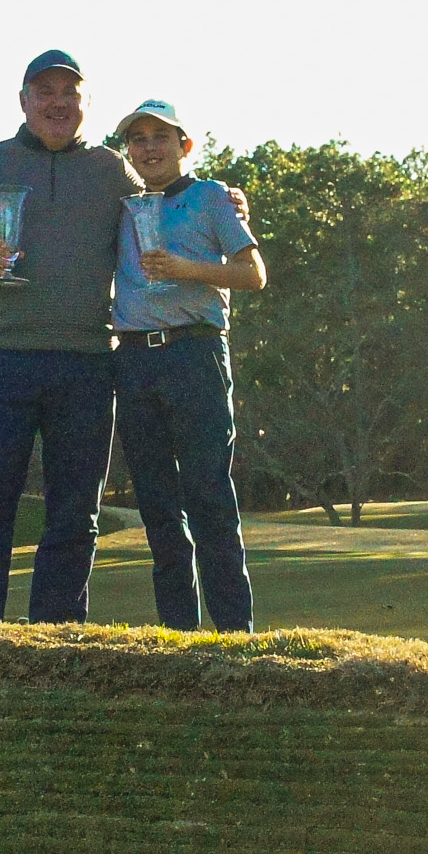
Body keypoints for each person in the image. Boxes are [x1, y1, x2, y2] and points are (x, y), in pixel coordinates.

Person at [0, 49, 140, 623]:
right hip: (0, 357)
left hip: (87, 361)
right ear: (23, 101)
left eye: (70, 93)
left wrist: (223, 201)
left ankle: (57, 630)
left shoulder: (115, 171)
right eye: (46, 92)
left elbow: (165, 208)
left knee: (75, 510)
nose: (58, 103)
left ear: (87, 104)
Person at [111, 98, 265, 632]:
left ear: (185, 145)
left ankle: (233, 632)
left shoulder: (211, 197)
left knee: (207, 494)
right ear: (127, 150)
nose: (149, 147)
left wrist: (187, 269)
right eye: (138, 138)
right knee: (156, 503)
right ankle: (178, 632)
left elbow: (253, 275)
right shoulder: (122, 204)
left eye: (161, 136)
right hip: (132, 360)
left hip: (195, 352)